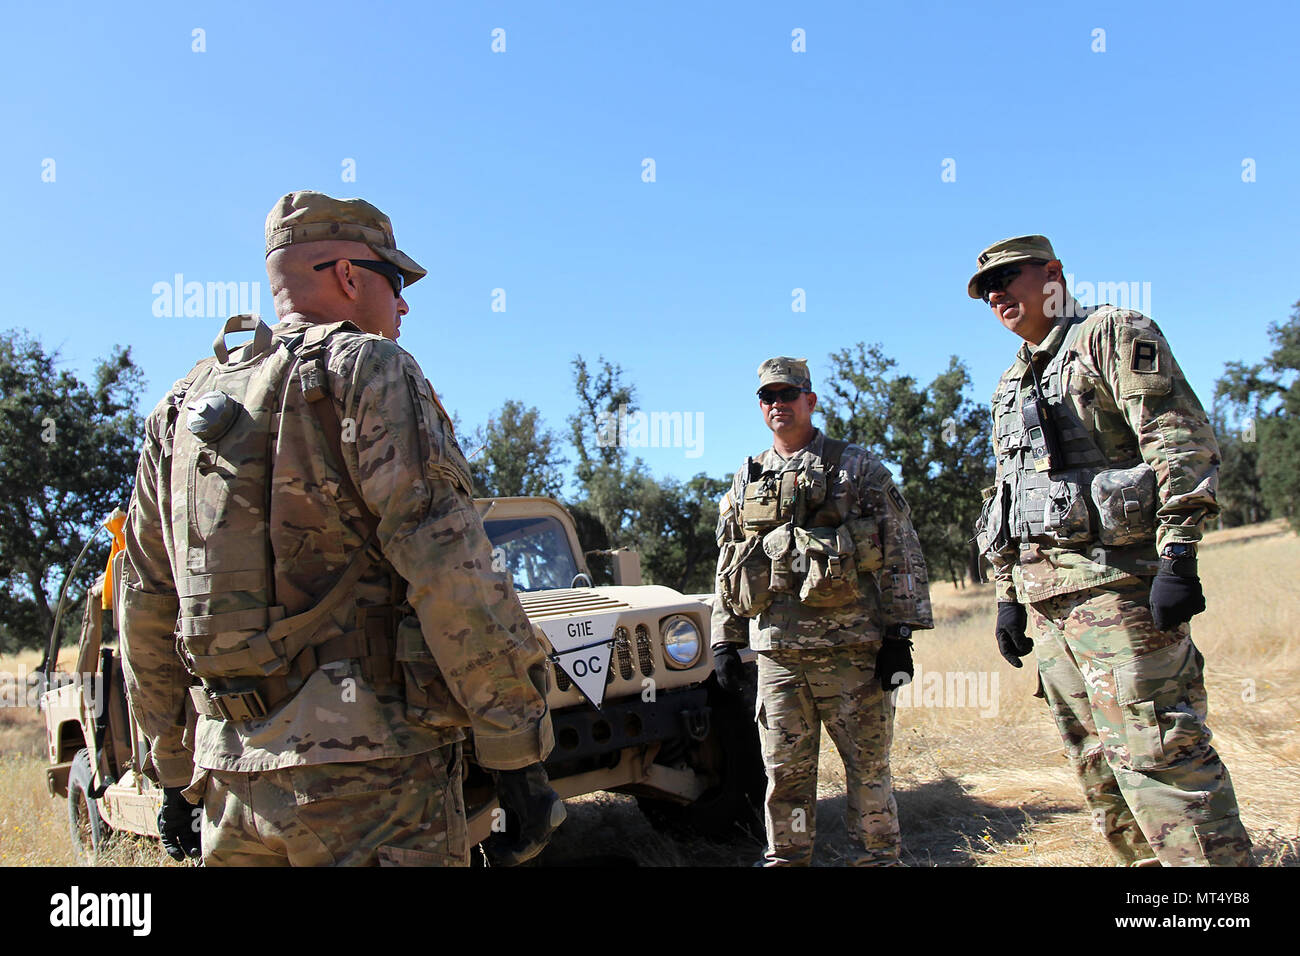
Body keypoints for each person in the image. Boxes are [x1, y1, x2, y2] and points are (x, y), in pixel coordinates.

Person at [120, 190, 564, 867]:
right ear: (349, 276)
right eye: (394, 279)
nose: (405, 304)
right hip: (373, 779)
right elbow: (452, 570)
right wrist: (515, 749)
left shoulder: (178, 409)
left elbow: (146, 602)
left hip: (230, 780)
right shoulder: (369, 368)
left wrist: (174, 773)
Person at [969, 235, 1252, 866]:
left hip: (1117, 590)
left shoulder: (1113, 332)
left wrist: (1178, 555)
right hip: (1049, 606)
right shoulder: (1010, 383)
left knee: (1161, 755)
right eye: (985, 290)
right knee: (1098, 769)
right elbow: (1010, 501)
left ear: (1052, 274)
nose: (996, 295)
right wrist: (1008, 598)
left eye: (1007, 278)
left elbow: (1177, 441)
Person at [710, 357, 932, 866]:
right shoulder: (746, 479)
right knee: (783, 777)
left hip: (852, 653)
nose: (777, 404)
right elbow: (728, 562)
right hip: (778, 658)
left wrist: (900, 632)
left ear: (810, 400)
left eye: (788, 394)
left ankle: (878, 859)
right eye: (767, 397)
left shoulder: (857, 467)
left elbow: (901, 549)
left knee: (868, 771)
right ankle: (787, 859)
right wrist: (726, 639)